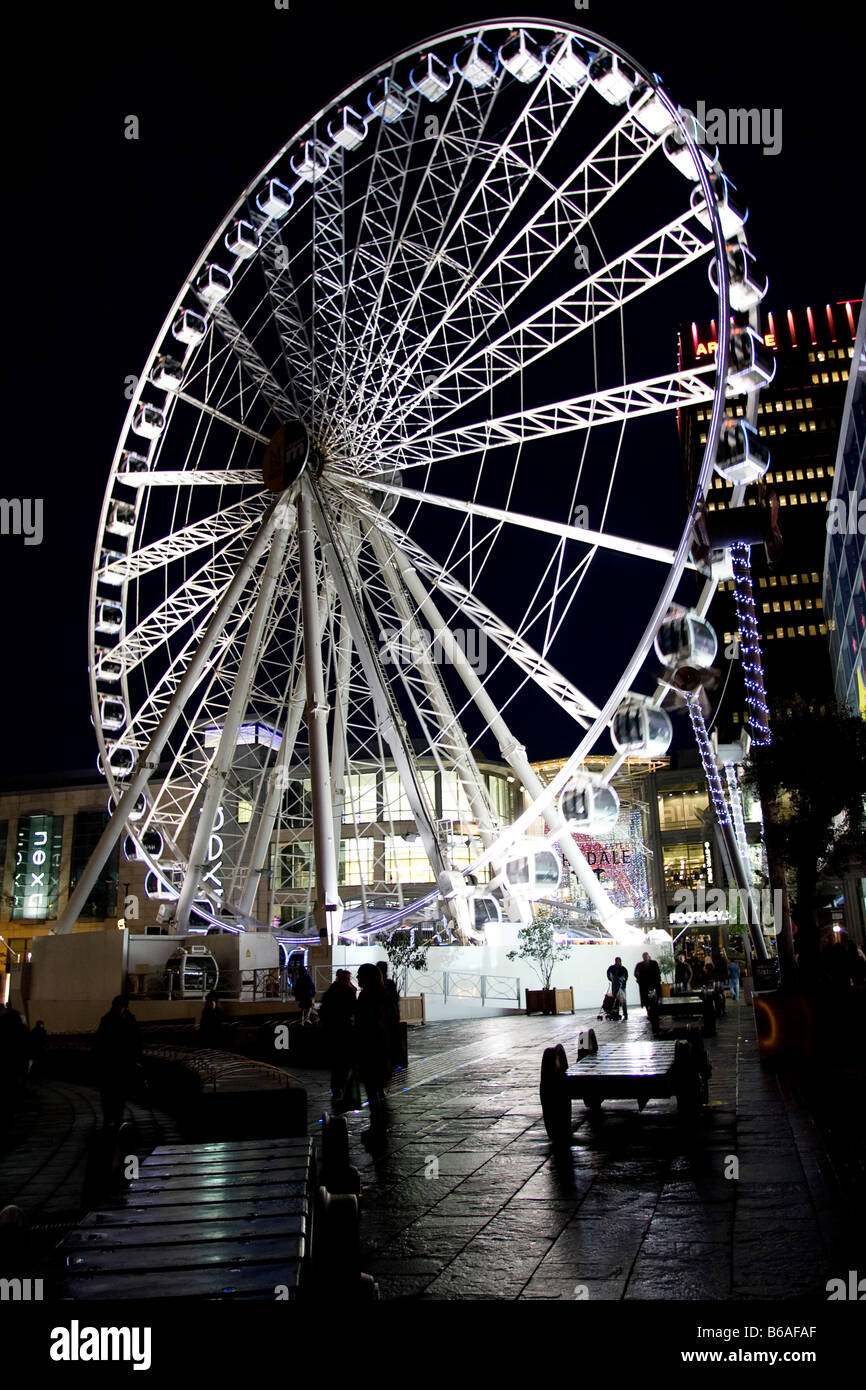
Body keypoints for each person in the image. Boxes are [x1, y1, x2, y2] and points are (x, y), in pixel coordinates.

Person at [353, 962, 393, 1141]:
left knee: (372, 1089)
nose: (358, 978)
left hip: (369, 1047)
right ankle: (379, 1124)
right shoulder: (383, 994)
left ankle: (376, 1126)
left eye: (360, 975)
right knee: (377, 1089)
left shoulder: (367, 996)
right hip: (381, 1046)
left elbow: (363, 1023)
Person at [92, 996, 142, 1130]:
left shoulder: (108, 1020)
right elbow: (136, 1041)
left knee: (115, 1094)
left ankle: (114, 1118)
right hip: (116, 1063)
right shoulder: (127, 1020)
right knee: (112, 1093)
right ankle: (110, 1118)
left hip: (116, 1063)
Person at [319, 970, 357, 1103]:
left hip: (335, 1030)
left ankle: (337, 1087)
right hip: (342, 1029)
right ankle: (341, 1087)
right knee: (343, 1061)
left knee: (338, 1062)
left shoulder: (332, 991)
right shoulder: (345, 992)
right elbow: (353, 1008)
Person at [377, 960, 403, 1070]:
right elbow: (395, 999)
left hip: (382, 1020)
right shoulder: (389, 984)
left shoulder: (377, 986)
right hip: (390, 1018)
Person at [291, 960, 316, 1025]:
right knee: (310, 1006)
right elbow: (312, 985)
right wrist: (313, 993)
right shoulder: (308, 977)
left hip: (301, 995)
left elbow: (296, 987)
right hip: (308, 995)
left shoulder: (299, 979)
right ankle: (307, 1018)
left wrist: (296, 995)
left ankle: (301, 1019)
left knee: (302, 1008)